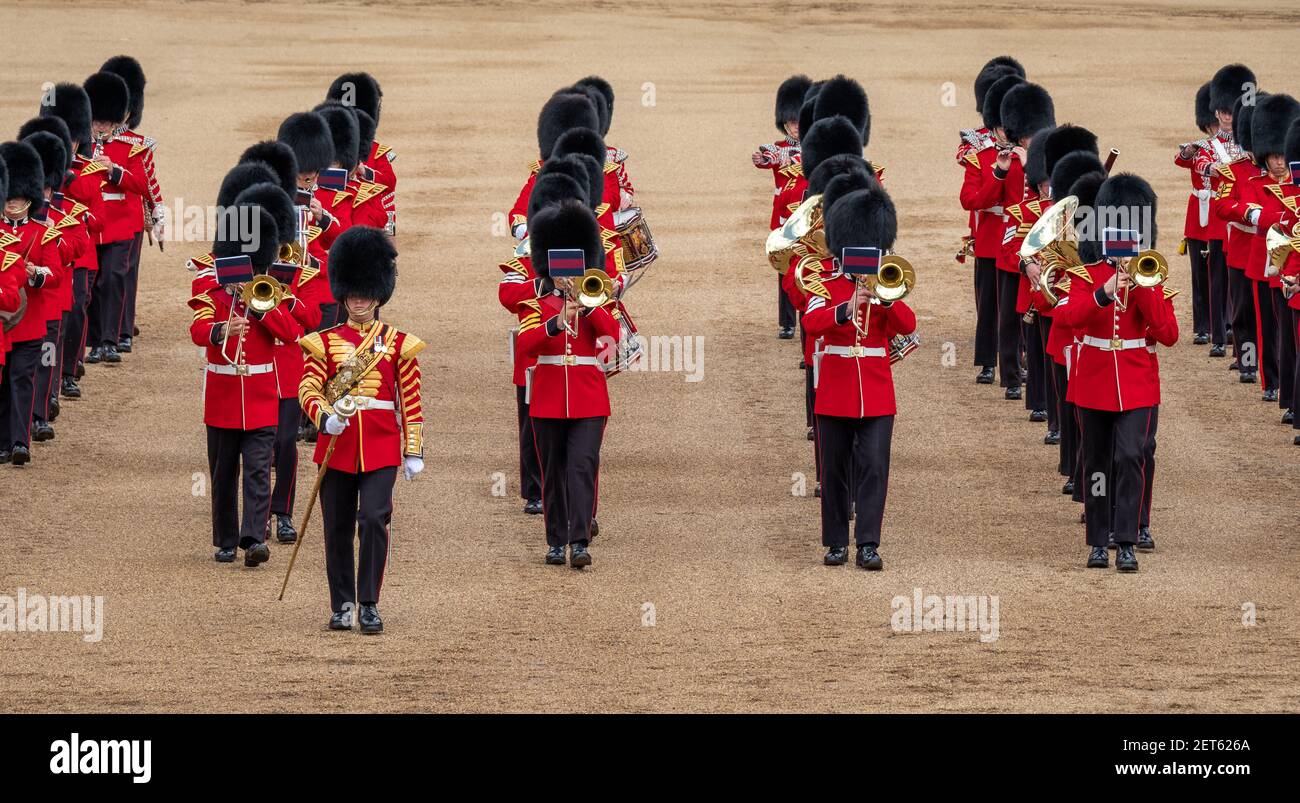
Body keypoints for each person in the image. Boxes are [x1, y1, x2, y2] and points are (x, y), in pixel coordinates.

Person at [299, 227, 424, 633]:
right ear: (343, 292)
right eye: (353, 292)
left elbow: (410, 399)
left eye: (366, 292)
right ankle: (343, 605)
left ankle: (369, 601)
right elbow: (308, 388)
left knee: (372, 519)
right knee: (336, 528)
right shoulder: (324, 342)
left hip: (380, 446)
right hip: (337, 446)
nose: (359, 299)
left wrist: (414, 449)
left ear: (378, 293)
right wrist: (323, 417)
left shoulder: (397, 344)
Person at [1051, 175, 1177, 572]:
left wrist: (1140, 287)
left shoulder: (1151, 278)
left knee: (1131, 455)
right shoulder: (1083, 278)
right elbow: (1068, 318)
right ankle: (1097, 539)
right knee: (1097, 464)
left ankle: (1126, 540)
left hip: (1137, 384)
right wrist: (1104, 293)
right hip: (1093, 382)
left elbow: (1168, 334)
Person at [801, 184, 916, 570]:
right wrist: (845, 309)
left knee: (874, 466)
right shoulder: (825, 282)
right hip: (834, 388)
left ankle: (868, 542)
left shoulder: (886, 279)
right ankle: (836, 542)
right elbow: (812, 322)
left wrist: (887, 297)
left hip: (877, 390)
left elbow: (908, 324)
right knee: (833, 469)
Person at [189, 206, 302, 566]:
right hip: (223, 398)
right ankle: (224, 539)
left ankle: (253, 538)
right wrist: (221, 330)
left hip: (260, 396)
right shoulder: (209, 293)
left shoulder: (269, 293)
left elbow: (290, 333)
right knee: (222, 473)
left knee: (257, 470)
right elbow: (197, 330)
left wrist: (258, 305)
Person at [516, 200, 619, 568]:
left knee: (582, 466)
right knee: (553, 471)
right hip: (546, 397)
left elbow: (614, 335)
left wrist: (589, 304)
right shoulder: (536, 303)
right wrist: (556, 322)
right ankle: (556, 541)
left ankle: (579, 541)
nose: (565, 275)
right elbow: (526, 346)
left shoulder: (597, 297)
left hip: (589, 397)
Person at [960, 72, 1025, 388]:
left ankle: (1020, 360)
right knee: (988, 306)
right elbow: (971, 201)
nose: (1001, 132)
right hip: (989, 238)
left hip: (1019, 239)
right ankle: (987, 362)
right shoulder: (980, 158)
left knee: (1019, 305)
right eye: (997, 126)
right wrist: (998, 174)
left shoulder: (1028, 157)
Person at [0, 141, 63, 466]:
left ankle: (20, 442)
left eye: (19, 198)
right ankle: (2, 441)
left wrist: (34, 272)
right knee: (3, 383)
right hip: (2, 321)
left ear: (30, 198)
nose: (13, 203)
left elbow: (54, 272)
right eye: (9, 197)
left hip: (30, 320)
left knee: (22, 380)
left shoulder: (43, 232)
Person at [82, 71, 149, 367]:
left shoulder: (130, 147)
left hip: (121, 225)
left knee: (113, 279)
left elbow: (142, 184)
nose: (100, 127)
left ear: (116, 121)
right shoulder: (81, 147)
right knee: (92, 284)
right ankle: (94, 341)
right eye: (96, 121)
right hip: (91, 225)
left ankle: (110, 340)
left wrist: (113, 171)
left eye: (105, 122)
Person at [100, 55, 164, 353]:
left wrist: (157, 213)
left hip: (130, 215)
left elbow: (148, 182)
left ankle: (123, 328)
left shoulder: (138, 144)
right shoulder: (92, 140)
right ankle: (106, 329)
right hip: (98, 216)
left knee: (125, 274)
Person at [754, 74, 812, 339]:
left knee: (810, 267)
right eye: (790, 122)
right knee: (785, 268)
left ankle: (809, 318)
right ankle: (787, 323)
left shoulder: (816, 145)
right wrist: (761, 158)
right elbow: (766, 158)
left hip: (810, 216)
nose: (795, 127)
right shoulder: (777, 148)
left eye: (799, 121)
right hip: (784, 218)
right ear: (784, 124)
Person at [1174, 82, 1218, 346]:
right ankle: (1202, 326)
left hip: (1220, 214)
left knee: (1220, 273)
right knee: (1199, 274)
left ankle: (1221, 324)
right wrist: (1189, 150)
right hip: (1198, 214)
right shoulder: (1199, 146)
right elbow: (1180, 160)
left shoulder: (1234, 149)